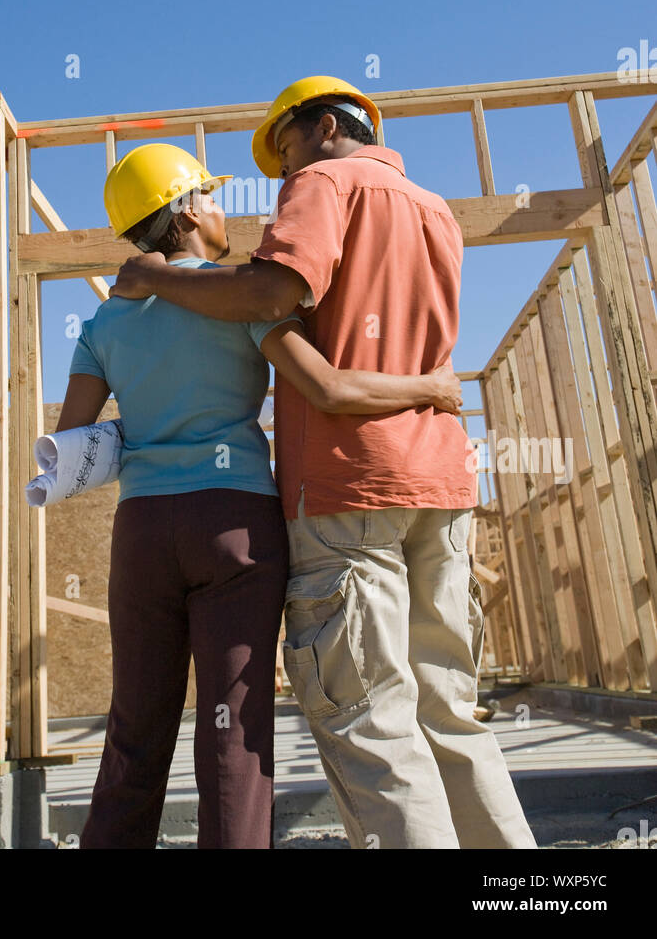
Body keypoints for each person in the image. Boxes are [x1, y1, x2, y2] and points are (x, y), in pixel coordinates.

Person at [111, 76, 538, 850]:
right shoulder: (434, 209)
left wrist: (158, 278)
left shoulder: (321, 182)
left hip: (349, 487)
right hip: (439, 481)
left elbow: (272, 293)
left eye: (282, 149)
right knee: (448, 707)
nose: (279, 175)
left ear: (322, 127)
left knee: (369, 715)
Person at [57, 140, 463, 850]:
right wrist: (431, 387)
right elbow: (330, 387)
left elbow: (71, 446)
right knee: (234, 734)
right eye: (209, 197)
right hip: (236, 526)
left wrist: (155, 422)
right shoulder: (238, 297)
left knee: (134, 729)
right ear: (186, 214)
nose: (221, 210)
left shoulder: (103, 325)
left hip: (144, 531)